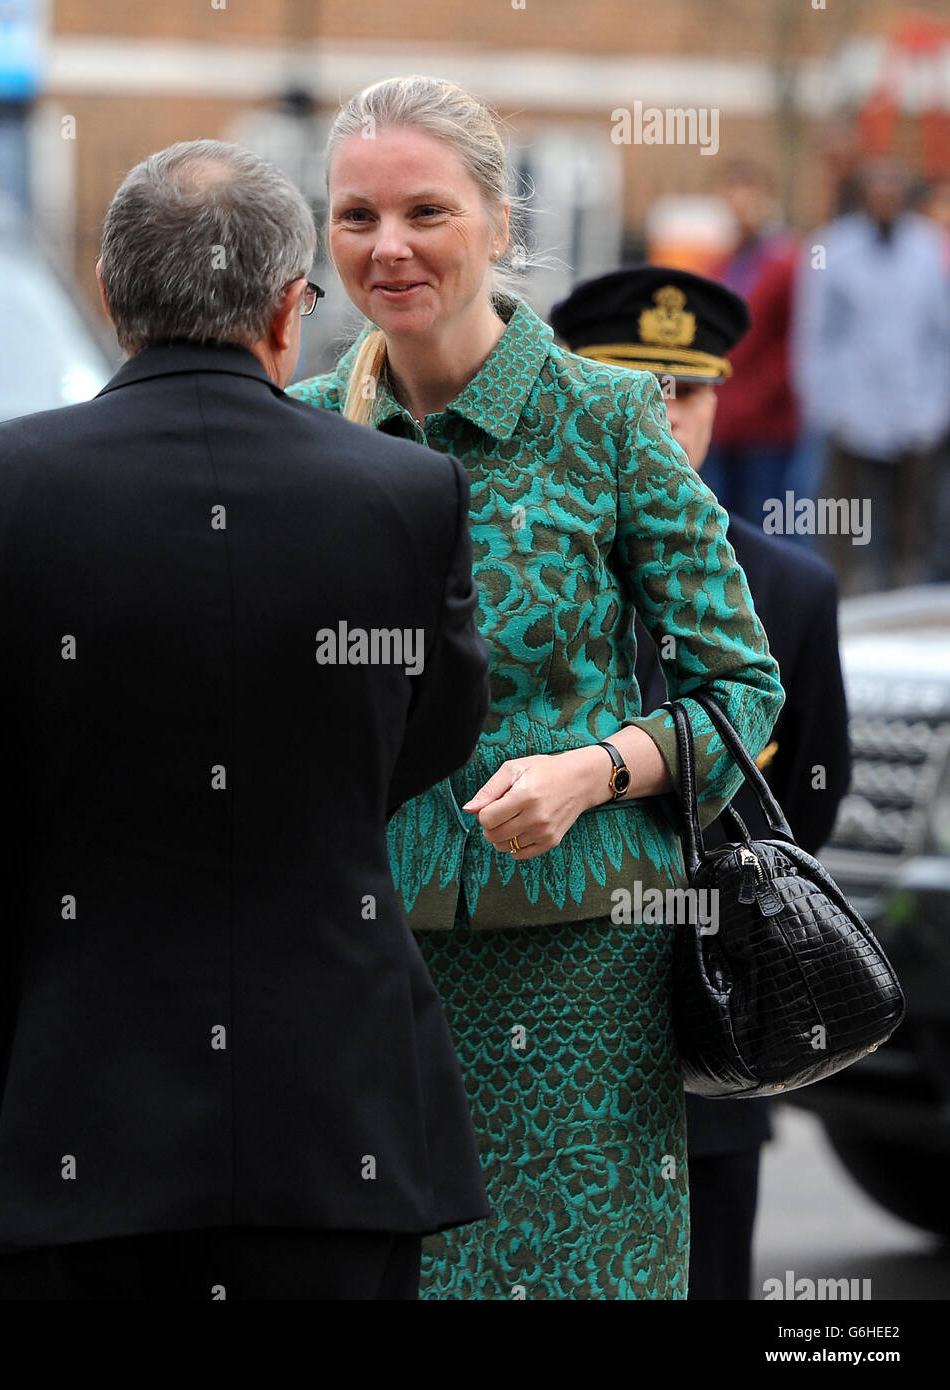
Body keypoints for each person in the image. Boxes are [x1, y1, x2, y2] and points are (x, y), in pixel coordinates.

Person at [0, 139, 493, 1301]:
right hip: (334, 1125)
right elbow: (434, 734)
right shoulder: (405, 494)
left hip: (64, 1132)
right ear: (290, 311)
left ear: (109, 294)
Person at [289, 75, 784, 1300]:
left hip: (581, 982)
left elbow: (741, 685)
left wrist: (597, 768)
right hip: (355, 976)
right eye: (354, 218)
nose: (386, 248)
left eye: (424, 212)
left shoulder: (608, 419)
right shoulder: (299, 432)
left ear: (498, 222)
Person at [552, 265, 851, 1300]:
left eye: (687, 391)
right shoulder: (519, 563)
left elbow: (803, 800)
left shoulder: (786, 588)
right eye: (631, 386)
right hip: (545, 992)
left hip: (709, 1013)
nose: (663, 414)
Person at [791, 159, 950, 595]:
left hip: (918, 414)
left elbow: (941, 335)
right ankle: (847, 616)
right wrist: (824, 405)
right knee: (846, 531)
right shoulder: (830, 249)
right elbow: (813, 334)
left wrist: (937, 406)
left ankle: (908, 621)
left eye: (893, 186)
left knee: (913, 535)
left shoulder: (930, 248)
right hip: (852, 416)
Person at [699, 163, 802, 529]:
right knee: (721, 523)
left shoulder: (785, 265)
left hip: (767, 428)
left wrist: (758, 396)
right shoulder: (718, 266)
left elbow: (794, 344)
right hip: (722, 423)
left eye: (749, 201)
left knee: (764, 525)